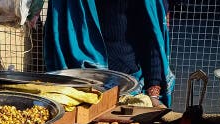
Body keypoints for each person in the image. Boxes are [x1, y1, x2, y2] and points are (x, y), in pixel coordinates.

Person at [44, 0, 173, 106]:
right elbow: (58, 33)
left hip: (128, 85)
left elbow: (150, 39)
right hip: (79, 86)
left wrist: (153, 93)